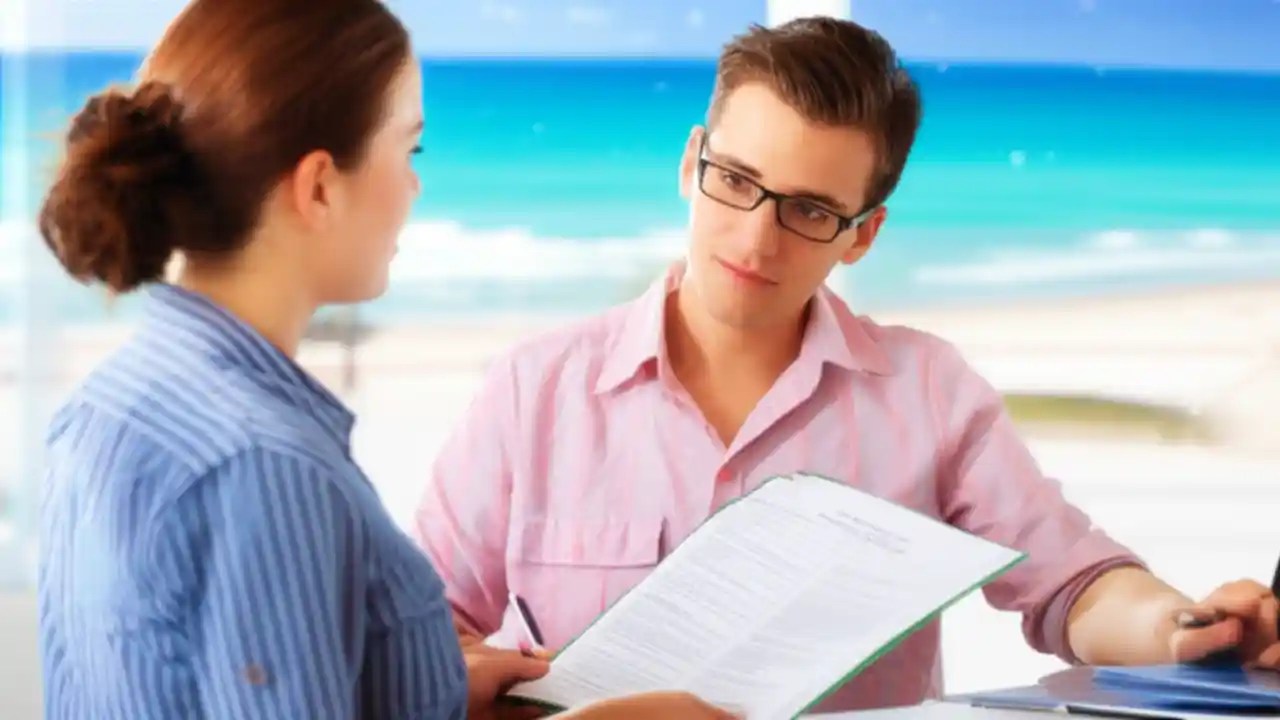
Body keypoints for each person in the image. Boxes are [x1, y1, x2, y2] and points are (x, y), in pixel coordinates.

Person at [413, 16, 1280, 713]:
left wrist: (1181, 627)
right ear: (691, 163)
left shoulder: (929, 394)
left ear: (863, 234)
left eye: (810, 210)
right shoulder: (533, 390)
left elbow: (1074, 586)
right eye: (736, 181)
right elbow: (420, 638)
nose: (756, 236)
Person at [34, 1, 739, 718]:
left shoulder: (103, 404)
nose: (415, 187)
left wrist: (416, 687)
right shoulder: (264, 467)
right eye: (410, 151)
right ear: (319, 187)